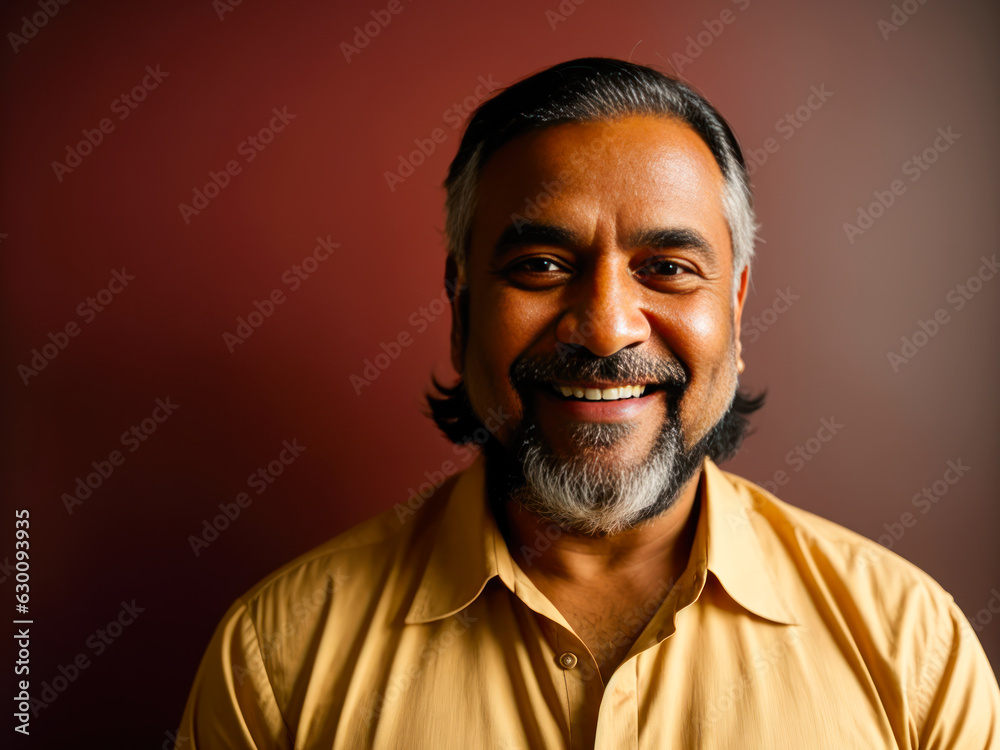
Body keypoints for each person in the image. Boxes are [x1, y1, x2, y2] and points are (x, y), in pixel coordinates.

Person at [176, 57, 1000, 748]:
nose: (607, 331)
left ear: (738, 310)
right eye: (539, 264)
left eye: (668, 269)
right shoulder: (277, 663)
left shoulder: (911, 652)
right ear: (461, 309)